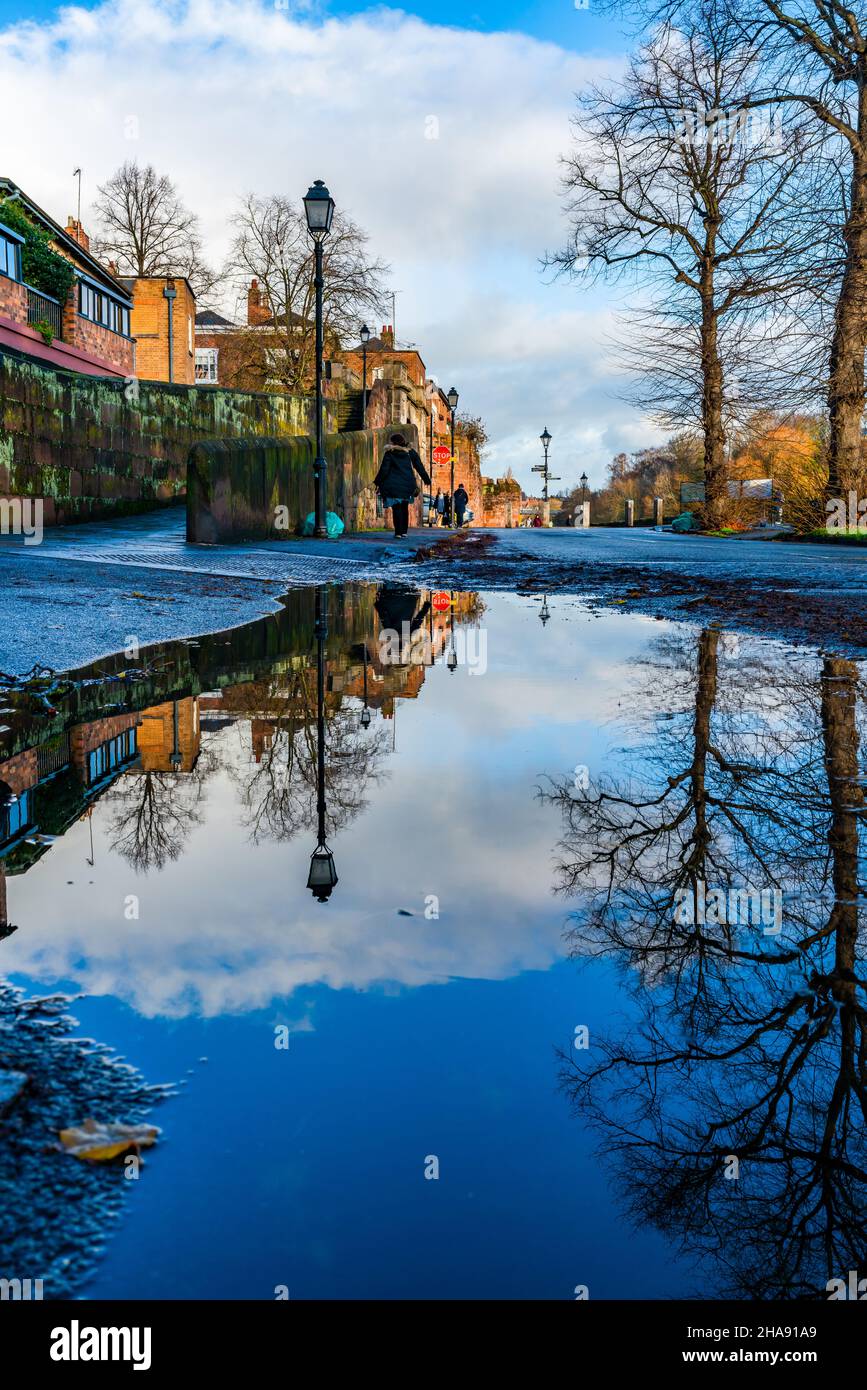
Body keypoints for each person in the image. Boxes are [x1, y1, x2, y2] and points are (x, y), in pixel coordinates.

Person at [373, 432, 431, 539]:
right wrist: (426, 479)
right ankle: (404, 531)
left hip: (393, 485)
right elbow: (419, 467)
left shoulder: (390, 453)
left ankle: (398, 532)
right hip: (407, 485)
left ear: (393, 442)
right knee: (404, 507)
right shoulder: (410, 452)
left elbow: (384, 470)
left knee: (396, 508)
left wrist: (377, 482)